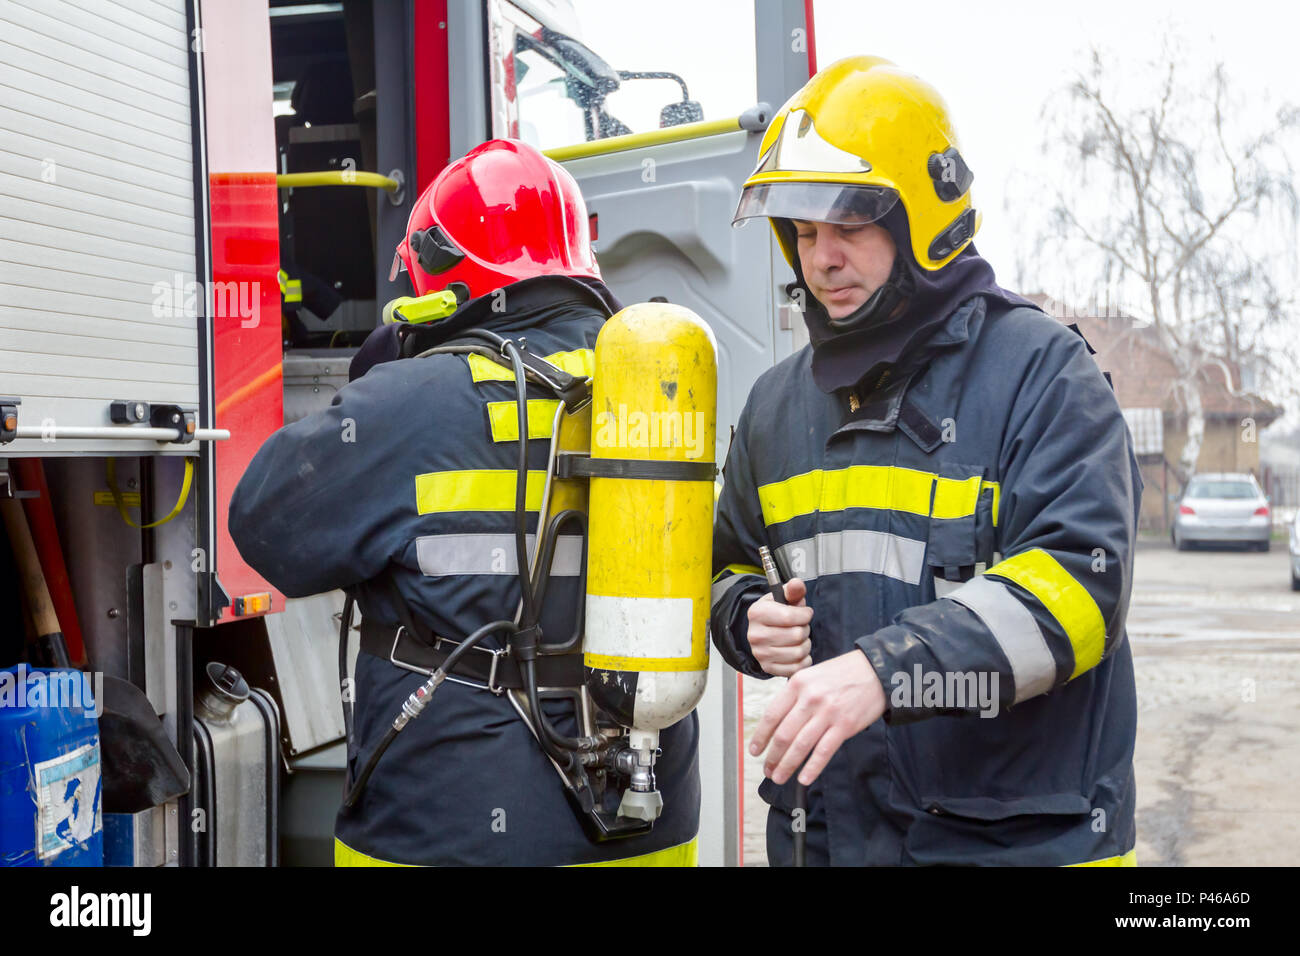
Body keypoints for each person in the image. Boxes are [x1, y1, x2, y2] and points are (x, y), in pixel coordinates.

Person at [711, 57, 1142, 866]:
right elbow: (721, 564)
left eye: (848, 226)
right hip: (830, 841)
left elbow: (1082, 589)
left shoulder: (1041, 373)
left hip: (1013, 844)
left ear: (923, 223)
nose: (822, 259)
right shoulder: (774, 408)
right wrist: (745, 619)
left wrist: (889, 670)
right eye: (803, 233)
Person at [230, 139, 700, 866]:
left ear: (440, 274)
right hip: (649, 825)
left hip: (447, 828)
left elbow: (263, 526)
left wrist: (384, 376)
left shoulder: (409, 403)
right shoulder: (658, 384)